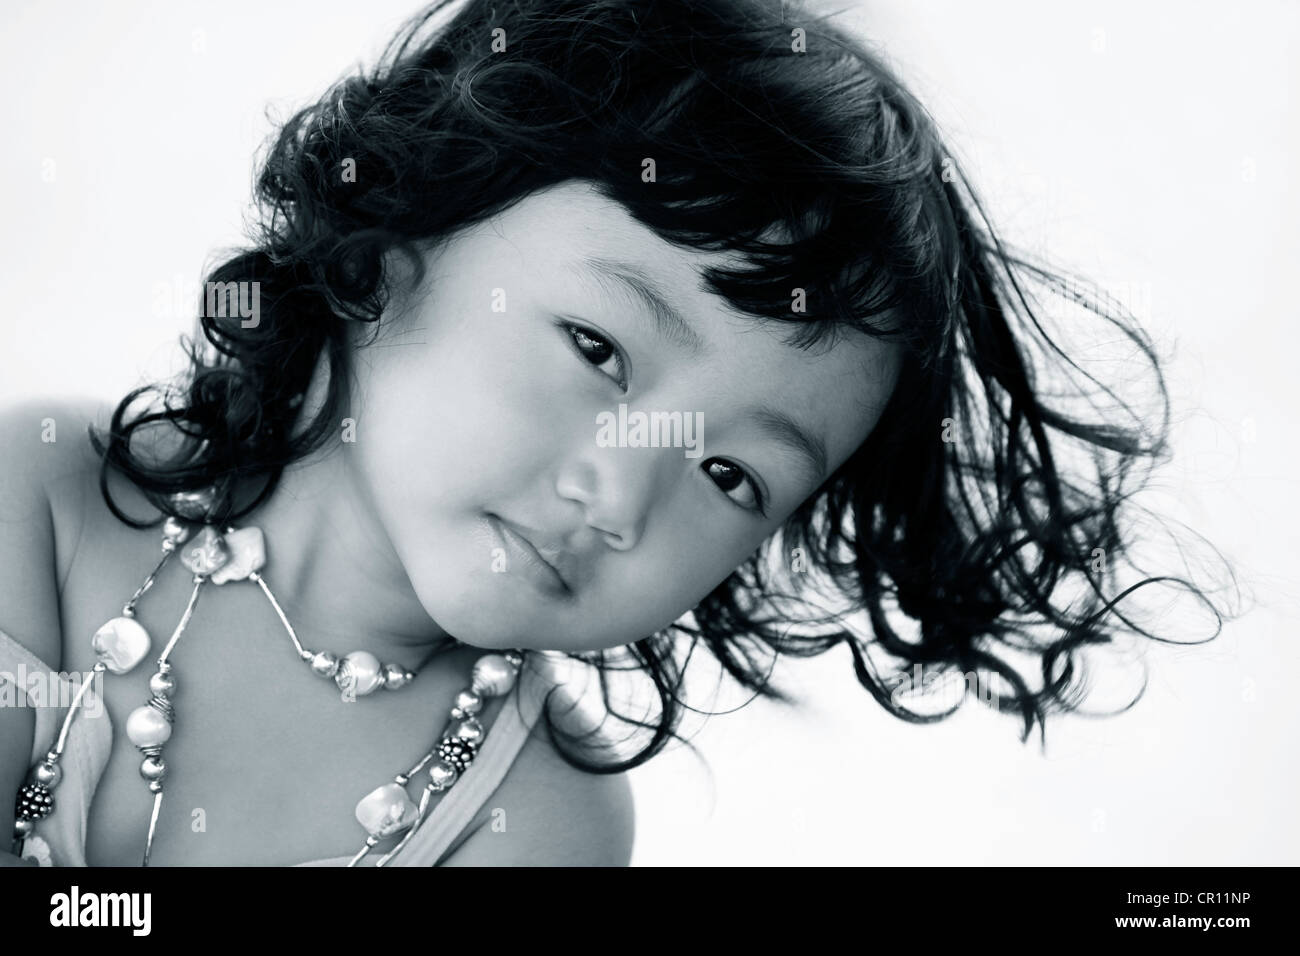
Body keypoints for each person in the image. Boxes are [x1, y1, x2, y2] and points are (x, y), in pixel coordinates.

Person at [0, 0, 1233, 866]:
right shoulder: (46, 502)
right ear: (390, 249)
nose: (617, 494)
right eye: (597, 350)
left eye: (729, 472)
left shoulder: (534, 818)